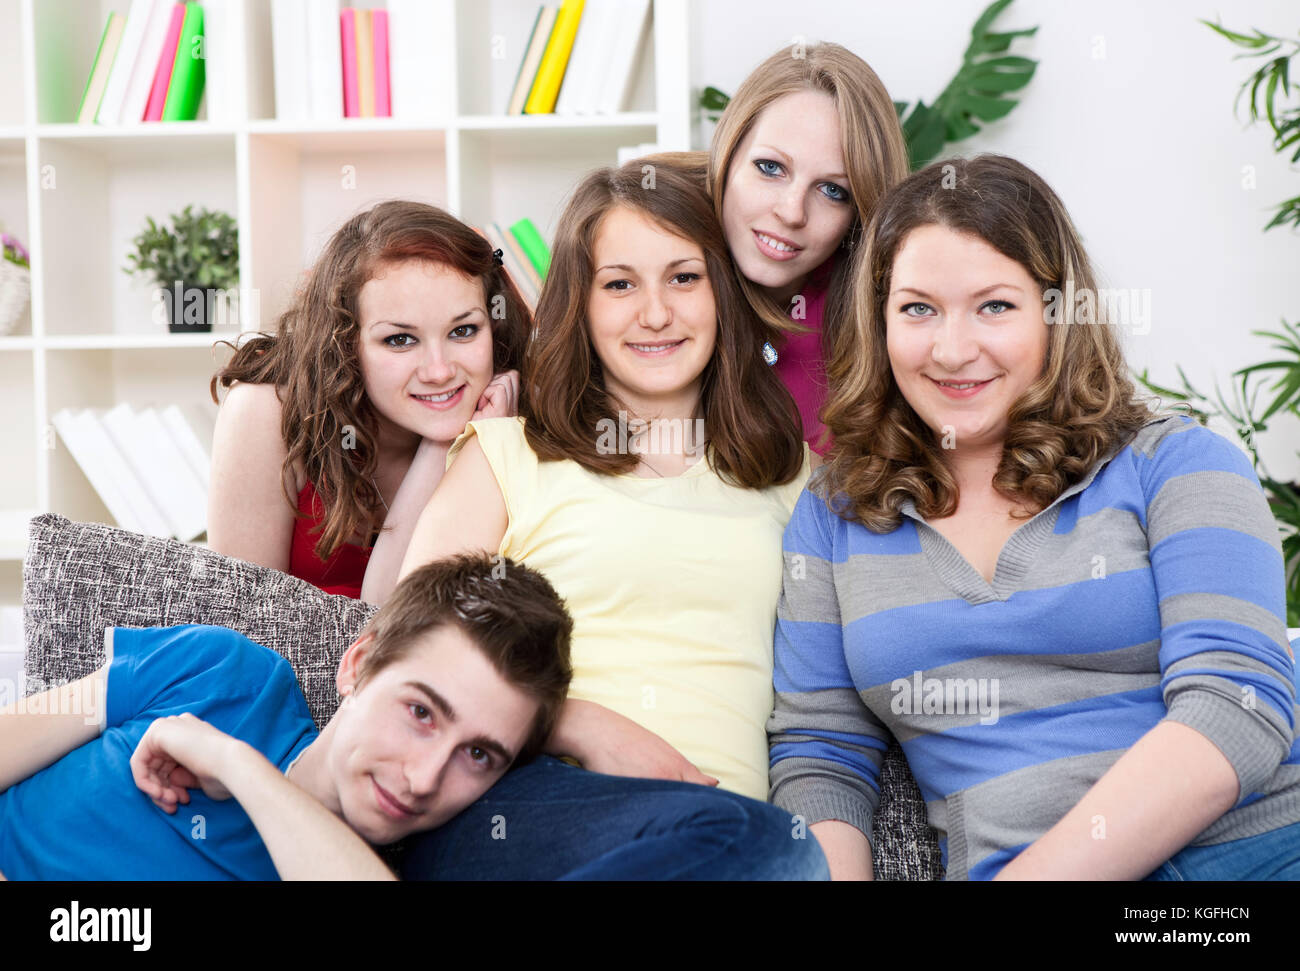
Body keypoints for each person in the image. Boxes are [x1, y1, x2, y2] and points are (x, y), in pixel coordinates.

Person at [768, 153, 1300, 881]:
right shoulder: (833, 516)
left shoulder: (1179, 464)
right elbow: (820, 755)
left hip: (1252, 854)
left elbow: (1238, 704)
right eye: (918, 308)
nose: (953, 350)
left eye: (994, 306)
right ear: (880, 322)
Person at [364, 160, 827, 880]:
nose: (654, 313)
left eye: (683, 277)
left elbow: (836, 693)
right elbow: (406, 661)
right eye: (619, 284)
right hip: (527, 799)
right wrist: (578, 724)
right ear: (579, 305)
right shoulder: (507, 455)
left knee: (767, 847)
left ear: (724, 294)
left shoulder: (791, 475)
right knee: (775, 847)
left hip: (727, 842)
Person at [0, 553, 572, 880]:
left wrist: (237, 766)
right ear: (358, 665)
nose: (424, 780)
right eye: (420, 712)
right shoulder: (221, 671)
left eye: (478, 755)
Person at [209, 201, 528, 598]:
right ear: (346, 344)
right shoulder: (265, 411)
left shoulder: (509, 418)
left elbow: (417, 629)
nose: (439, 371)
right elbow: (240, 627)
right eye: (399, 339)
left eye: (463, 331)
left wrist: (452, 448)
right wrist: (442, 444)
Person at [651, 42, 909, 454]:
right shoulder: (650, 233)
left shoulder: (884, 312)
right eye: (770, 168)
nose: (791, 213)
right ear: (728, 152)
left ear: (859, 213)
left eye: (832, 190)